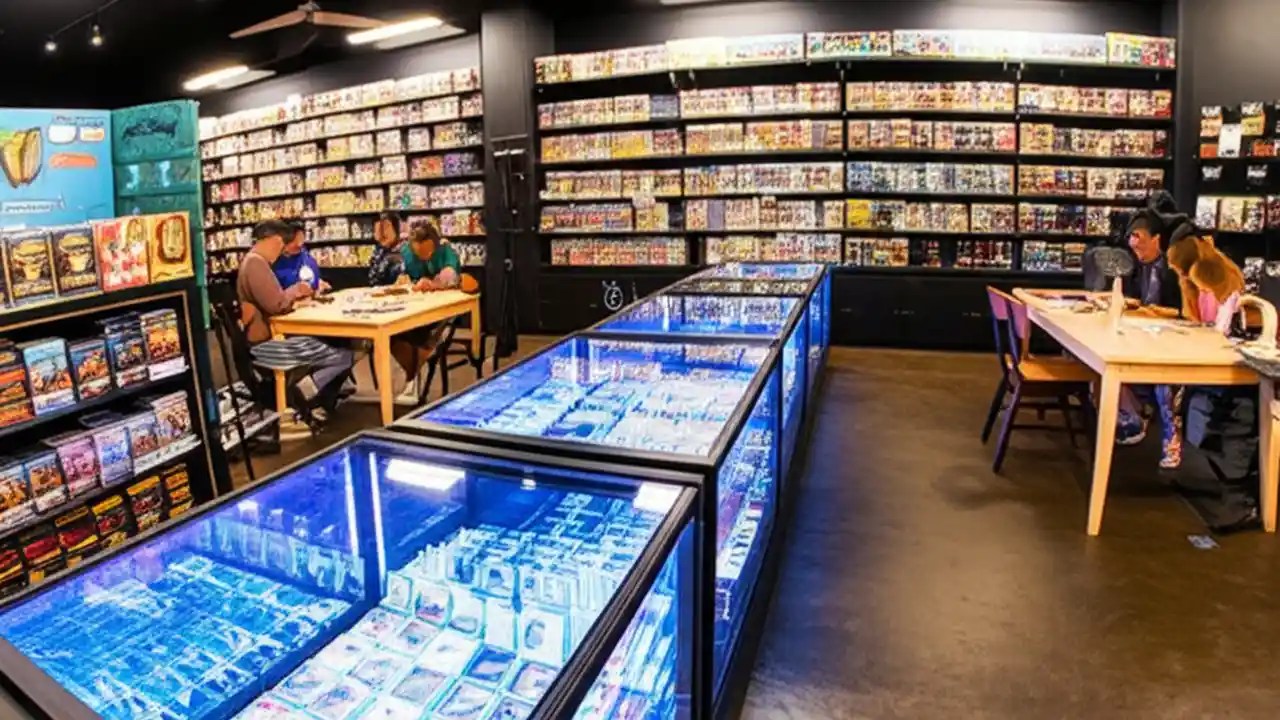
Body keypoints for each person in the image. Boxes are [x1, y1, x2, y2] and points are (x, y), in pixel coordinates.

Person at [236, 219, 353, 418]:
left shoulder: (253, 262)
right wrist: (296, 290)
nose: (281, 251)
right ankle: (305, 393)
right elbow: (277, 304)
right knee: (343, 355)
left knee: (332, 346)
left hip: (262, 342)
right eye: (280, 244)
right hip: (266, 347)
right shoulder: (256, 263)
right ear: (272, 240)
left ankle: (313, 399)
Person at [1112, 200, 1193, 467]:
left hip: (1173, 340)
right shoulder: (1139, 267)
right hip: (1143, 335)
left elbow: (1182, 312)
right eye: (1132, 238)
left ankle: (1171, 441)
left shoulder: (1172, 270)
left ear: (1157, 239)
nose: (1135, 244)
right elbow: (1139, 300)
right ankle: (1132, 419)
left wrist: (1153, 312)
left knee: (1162, 379)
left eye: (1140, 238)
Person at [388, 221, 461, 381]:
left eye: (428, 252)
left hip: (443, 307)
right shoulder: (406, 251)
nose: (424, 256)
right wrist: (402, 279)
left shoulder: (445, 249)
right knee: (394, 335)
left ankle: (418, 365)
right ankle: (415, 368)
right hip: (414, 305)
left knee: (424, 333)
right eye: (418, 253)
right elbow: (403, 273)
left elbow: (452, 275)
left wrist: (435, 284)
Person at [272, 220, 329, 293]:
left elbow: (311, 274)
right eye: (295, 243)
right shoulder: (277, 264)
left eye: (302, 239)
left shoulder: (304, 253)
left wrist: (319, 282)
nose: (300, 244)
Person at [368, 212, 404, 287]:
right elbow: (373, 279)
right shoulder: (379, 250)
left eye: (386, 227)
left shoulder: (404, 250)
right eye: (378, 227)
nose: (382, 232)